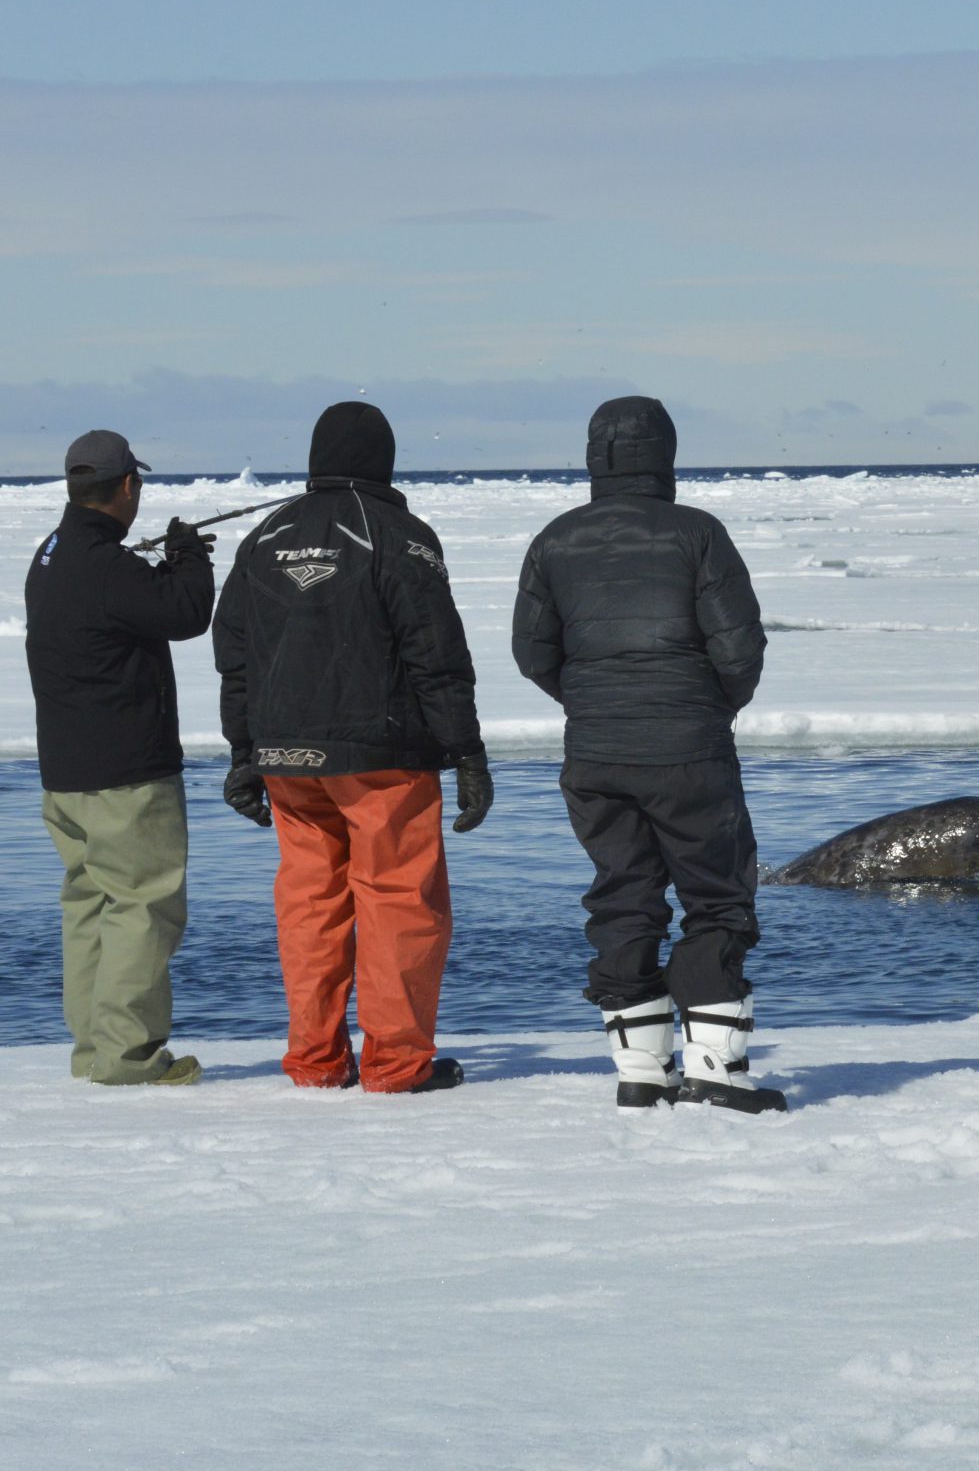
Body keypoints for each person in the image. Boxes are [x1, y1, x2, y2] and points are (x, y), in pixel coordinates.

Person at [211, 402, 491, 1094]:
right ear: (382, 462)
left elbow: (234, 660)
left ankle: (317, 1062)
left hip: (287, 760)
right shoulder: (400, 535)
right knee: (399, 900)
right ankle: (395, 1066)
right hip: (381, 759)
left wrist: (245, 754)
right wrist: (466, 752)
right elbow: (436, 654)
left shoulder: (264, 537)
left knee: (311, 903)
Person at [511, 397, 779, 1113]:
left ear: (593, 455)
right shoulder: (698, 532)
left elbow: (532, 652)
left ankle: (641, 1071)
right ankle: (716, 1071)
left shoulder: (554, 539)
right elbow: (739, 647)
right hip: (688, 747)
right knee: (717, 897)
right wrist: (712, 706)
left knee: (623, 897)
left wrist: (590, 700)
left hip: (596, 753)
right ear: (666, 454)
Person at [23, 431, 215, 1087]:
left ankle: (97, 1052)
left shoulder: (52, 554)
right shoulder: (105, 566)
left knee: (90, 905)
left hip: (67, 776)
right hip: (126, 774)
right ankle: (130, 1058)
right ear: (128, 485)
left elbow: (130, 601)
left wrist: (168, 562)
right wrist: (189, 557)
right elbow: (186, 613)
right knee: (142, 906)